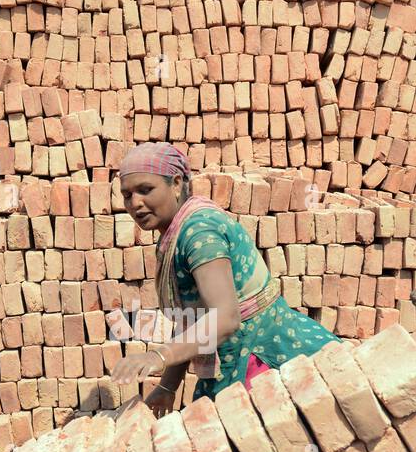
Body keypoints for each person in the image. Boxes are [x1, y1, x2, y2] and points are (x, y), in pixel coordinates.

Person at [111, 142, 340, 416]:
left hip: (265, 362)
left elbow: (225, 318)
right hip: (236, 360)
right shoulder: (177, 232)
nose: (135, 203)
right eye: (127, 195)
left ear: (175, 183)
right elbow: (193, 320)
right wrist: (168, 387)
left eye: (145, 190)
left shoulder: (199, 233)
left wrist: (158, 356)